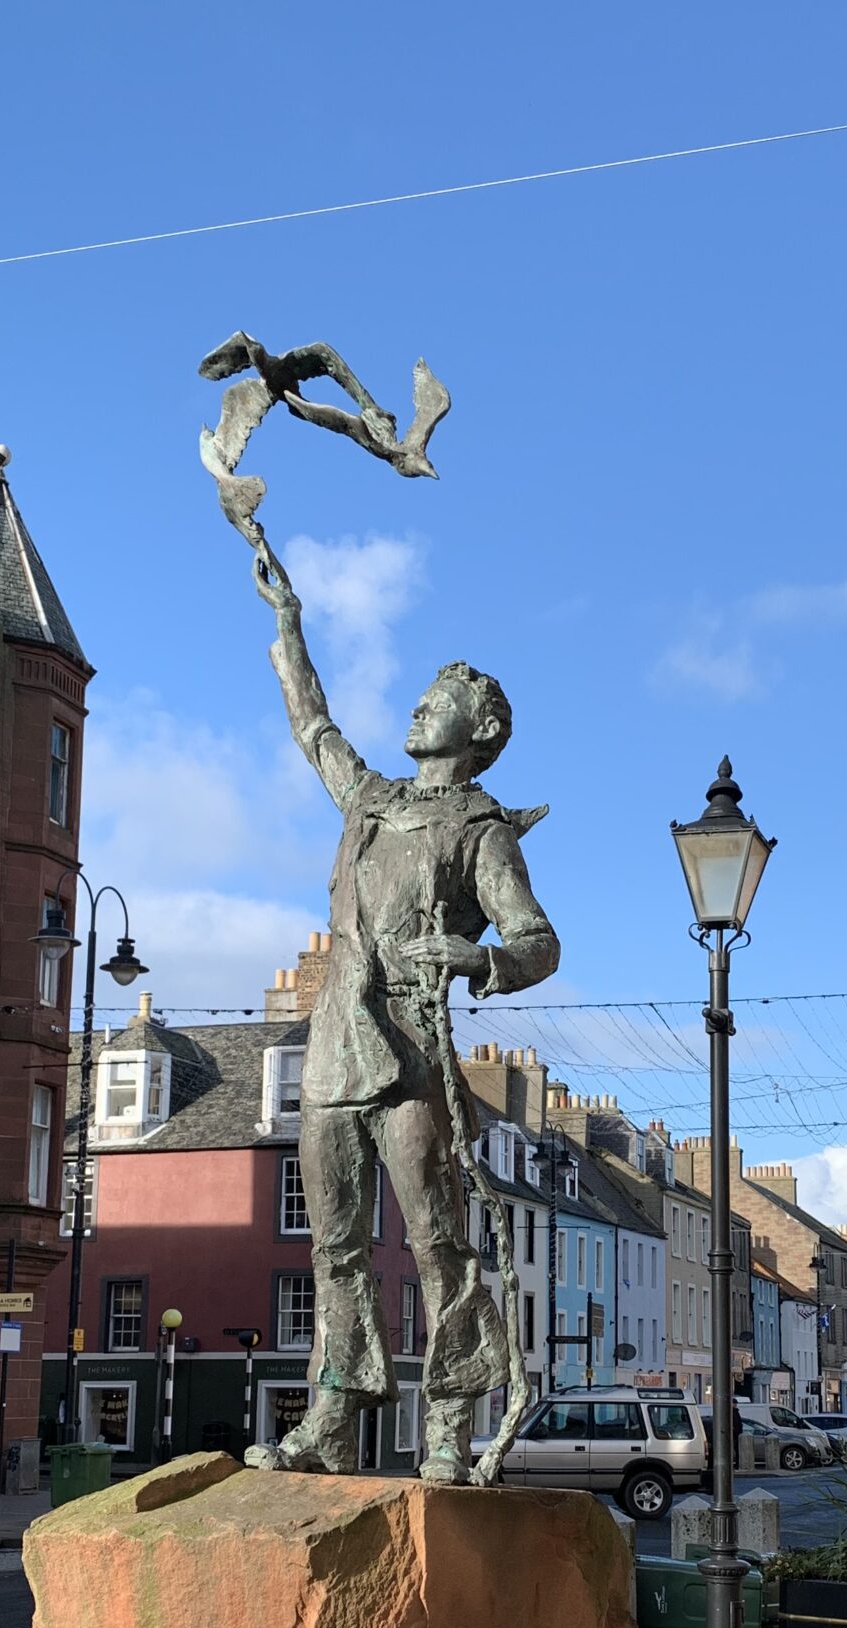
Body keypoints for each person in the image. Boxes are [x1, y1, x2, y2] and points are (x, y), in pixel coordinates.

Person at [241, 541, 559, 1484]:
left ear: (482, 724)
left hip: (414, 1059)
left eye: (439, 696)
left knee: (438, 1241)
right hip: (336, 1049)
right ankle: (337, 1420)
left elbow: (540, 942)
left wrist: (483, 958)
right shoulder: (370, 801)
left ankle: (453, 1428)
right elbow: (315, 726)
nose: (418, 705)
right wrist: (289, 627)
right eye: (420, 695)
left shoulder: (481, 830)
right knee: (333, 1247)